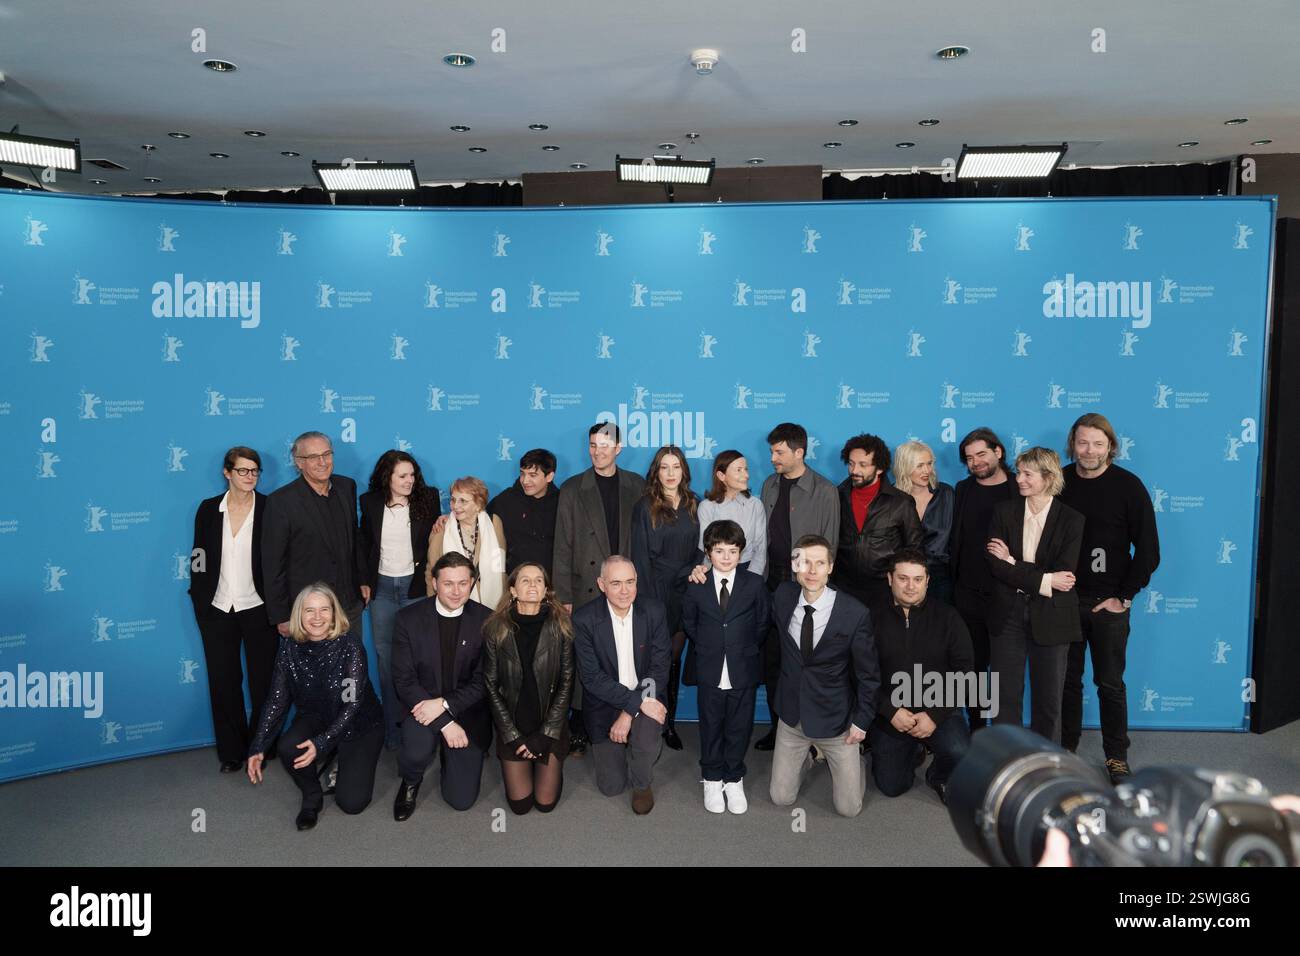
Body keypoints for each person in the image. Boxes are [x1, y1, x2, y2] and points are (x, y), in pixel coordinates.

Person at [1058, 413, 1161, 783]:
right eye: (1083, 442)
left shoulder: (1129, 487)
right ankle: (1065, 750)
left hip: (1108, 606)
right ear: (1073, 444)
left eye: (1097, 444)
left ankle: (1116, 756)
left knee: (1110, 684)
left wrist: (1124, 597)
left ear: (1110, 447)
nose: (1089, 450)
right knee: (1067, 682)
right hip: (1065, 602)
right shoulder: (1060, 481)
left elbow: (1149, 551)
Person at [246, 583, 384, 831]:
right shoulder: (289, 648)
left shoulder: (350, 646)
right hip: (317, 715)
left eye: (324, 610)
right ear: (299, 614)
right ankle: (312, 797)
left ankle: (340, 759)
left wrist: (321, 742)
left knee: (351, 803)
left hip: (358, 724)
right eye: (309, 610)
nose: (317, 617)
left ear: (334, 613)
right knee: (288, 746)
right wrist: (259, 746)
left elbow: (352, 704)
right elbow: (277, 701)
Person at [768, 534, 878, 818]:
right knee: (781, 798)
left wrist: (861, 722)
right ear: (795, 566)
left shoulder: (854, 613)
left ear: (831, 567)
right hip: (793, 717)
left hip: (836, 721)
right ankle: (806, 758)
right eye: (805, 563)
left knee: (849, 808)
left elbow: (869, 676)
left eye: (819, 563)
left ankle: (856, 761)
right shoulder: (782, 597)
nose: (812, 571)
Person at [553, 423, 646, 755]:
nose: (597, 451)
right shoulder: (572, 488)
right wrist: (563, 596)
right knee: (584, 662)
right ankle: (579, 726)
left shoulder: (636, 485)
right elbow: (562, 546)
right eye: (592, 445)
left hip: (625, 590)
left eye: (605, 445)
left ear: (618, 448)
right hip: (585, 591)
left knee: (623, 655)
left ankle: (628, 717)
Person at [189, 446, 280, 773]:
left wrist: (279, 608)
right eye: (242, 471)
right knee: (223, 683)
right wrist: (200, 598)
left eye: (254, 471)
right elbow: (198, 557)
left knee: (264, 683)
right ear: (227, 473)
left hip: (259, 608)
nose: (249, 477)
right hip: (218, 608)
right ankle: (231, 752)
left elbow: (279, 561)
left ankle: (262, 747)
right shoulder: (209, 509)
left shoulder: (271, 508)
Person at [986, 447, 1084, 744]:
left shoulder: (1071, 519)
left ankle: (1046, 765)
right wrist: (1043, 578)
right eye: (1019, 472)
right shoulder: (1003, 512)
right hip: (1007, 614)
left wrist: (1014, 563)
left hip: (1053, 614)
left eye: (1028, 474)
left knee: (1049, 700)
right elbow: (994, 565)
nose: (1019, 479)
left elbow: (1064, 577)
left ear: (1048, 477)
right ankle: (1006, 761)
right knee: (1004, 697)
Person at [756, 422, 840, 751]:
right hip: (771, 583)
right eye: (772, 451)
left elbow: (829, 546)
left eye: (779, 452)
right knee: (774, 659)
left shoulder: (825, 491)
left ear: (799, 452)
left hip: (804, 588)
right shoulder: (769, 486)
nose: (773, 457)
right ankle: (779, 730)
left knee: (804, 661)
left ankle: (810, 734)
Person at [868, 548, 973, 804]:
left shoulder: (948, 618)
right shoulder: (870, 618)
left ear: (928, 580)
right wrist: (890, 710)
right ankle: (914, 750)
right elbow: (861, 675)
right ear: (890, 579)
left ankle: (938, 774)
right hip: (892, 713)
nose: (910, 586)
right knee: (891, 786)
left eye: (917, 579)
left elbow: (966, 674)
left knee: (960, 751)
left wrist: (935, 715)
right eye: (903, 578)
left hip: (938, 709)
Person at [392, 553, 493, 818]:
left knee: (461, 800)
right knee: (416, 752)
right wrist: (445, 723)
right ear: (435, 583)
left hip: (467, 709)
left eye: (463, 583)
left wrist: (446, 705)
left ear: (472, 582)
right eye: (448, 583)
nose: (456, 591)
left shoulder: (487, 620)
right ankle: (411, 780)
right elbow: (404, 680)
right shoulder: (407, 619)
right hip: (421, 706)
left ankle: (453, 758)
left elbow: (485, 680)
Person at [681, 519, 770, 814]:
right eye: (720, 551)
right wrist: (712, 646)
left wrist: (740, 648)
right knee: (711, 726)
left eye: (733, 550)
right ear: (708, 552)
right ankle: (711, 776)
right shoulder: (697, 584)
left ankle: (733, 778)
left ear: (742, 552)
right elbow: (690, 623)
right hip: (709, 668)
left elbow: (761, 624)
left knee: (739, 727)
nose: (727, 557)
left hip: (743, 668)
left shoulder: (755, 584)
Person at [571, 556, 670, 815]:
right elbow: (591, 678)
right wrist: (631, 705)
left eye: (630, 582)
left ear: (637, 582)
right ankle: (623, 750)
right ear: (601, 584)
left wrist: (630, 712)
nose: (625, 590)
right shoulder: (584, 619)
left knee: (646, 743)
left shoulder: (654, 611)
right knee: (611, 786)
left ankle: (642, 783)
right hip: (604, 702)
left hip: (647, 697)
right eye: (616, 583)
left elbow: (658, 669)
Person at [357, 450, 440, 751]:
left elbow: (435, 542)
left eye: (412, 475)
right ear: (387, 477)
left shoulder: (427, 499)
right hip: (381, 591)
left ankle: (423, 727)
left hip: (415, 588)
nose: (409, 481)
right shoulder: (370, 502)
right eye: (402, 476)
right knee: (387, 661)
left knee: (421, 660)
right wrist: (364, 581)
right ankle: (394, 730)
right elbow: (364, 543)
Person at [482, 563, 575, 815]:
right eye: (525, 580)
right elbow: (490, 685)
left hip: (549, 724)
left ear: (546, 590)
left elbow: (567, 683)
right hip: (513, 723)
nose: (532, 585)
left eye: (538, 580)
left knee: (545, 805)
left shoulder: (562, 627)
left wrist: (546, 734)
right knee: (520, 807)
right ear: (512, 589)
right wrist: (512, 735)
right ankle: (525, 757)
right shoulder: (495, 628)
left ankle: (551, 760)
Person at [630, 444, 700, 750]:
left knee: (673, 662)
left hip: (685, 592)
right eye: (664, 467)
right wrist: (646, 601)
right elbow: (640, 556)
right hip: (655, 591)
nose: (670, 473)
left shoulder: (694, 504)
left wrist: (695, 569)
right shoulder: (645, 506)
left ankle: (668, 723)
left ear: (683, 470)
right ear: (656, 472)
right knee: (652, 663)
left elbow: (702, 547)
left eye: (676, 467)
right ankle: (646, 721)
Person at [950, 427, 1019, 733]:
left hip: (1007, 595)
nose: (975, 462)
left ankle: (1005, 734)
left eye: (981, 454)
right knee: (973, 669)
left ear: (998, 452)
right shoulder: (963, 489)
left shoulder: (1020, 488)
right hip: (967, 594)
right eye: (969, 458)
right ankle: (977, 730)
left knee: (1006, 671)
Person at [262, 431, 363, 638]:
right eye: (313, 457)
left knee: (353, 669)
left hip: (349, 606)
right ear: (299, 463)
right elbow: (273, 564)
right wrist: (281, 615)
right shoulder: (281, 502)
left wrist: (362, 579)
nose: (322, 462)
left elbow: (355, 536)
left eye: (327, 454)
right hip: (310, 614)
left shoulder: (347, 487)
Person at [833, 433, 921, 609]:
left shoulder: (901, 502)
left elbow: (914, 549)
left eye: (863, 465)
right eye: (851, 463)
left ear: (879, 468)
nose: (854, 470)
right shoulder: (836, 496)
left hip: (884, 590)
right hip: (842, 588)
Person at [424, 476, 507, 609]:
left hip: (491, 607)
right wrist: (433, 608)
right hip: (452, 606)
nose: (455, 506)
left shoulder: (494, 523)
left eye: (463, 501)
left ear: (478, 504)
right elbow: (431, 572)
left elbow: (500, 566)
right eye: (453, 500)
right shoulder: (441, 529)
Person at [893, 440, 955, 605]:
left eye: (929, 464)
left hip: (940, 577)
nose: (927, 470)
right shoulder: (892, 498)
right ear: (905, 467)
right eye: (919, 465)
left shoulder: (946, 494)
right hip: (904, 577)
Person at [488, 448, 561, 576]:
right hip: (514, 581)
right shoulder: (506, 499)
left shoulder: (563, 502)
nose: (525, 481)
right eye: (522, 473)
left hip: (552, 583)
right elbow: (477, 517)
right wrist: (449, 519)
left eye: (533, 475)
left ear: (549, 476)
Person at [695, 450, 767, 579]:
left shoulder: (755, 505)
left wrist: (751, 580)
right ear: (721, 476)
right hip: (714, 571)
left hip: (748, 571)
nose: (746, 475)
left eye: (746, 469)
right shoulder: (707, 507)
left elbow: (760, 549)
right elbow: (704, 548)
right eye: (738, 470)